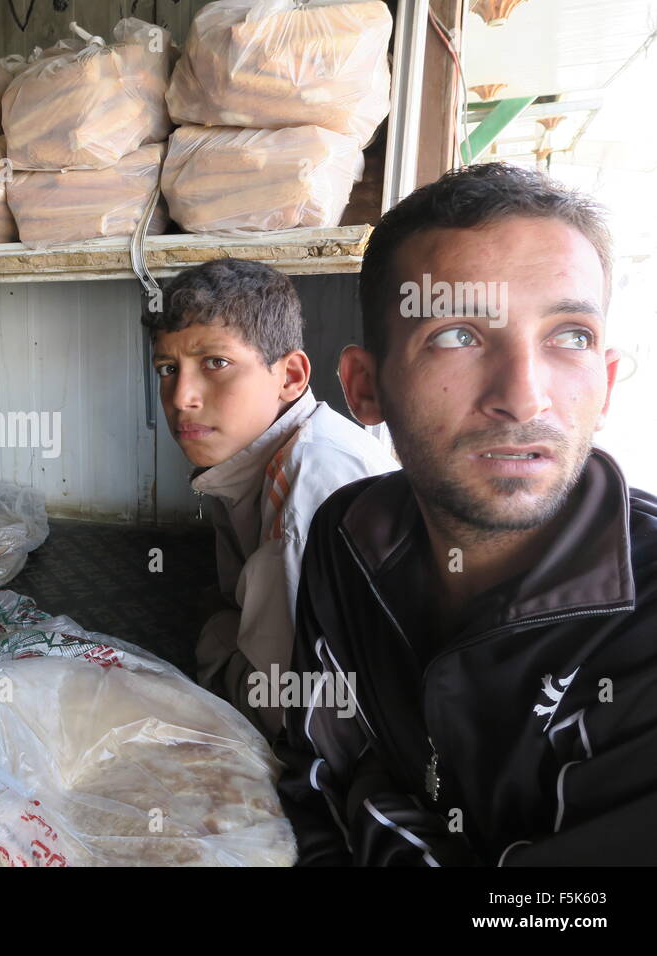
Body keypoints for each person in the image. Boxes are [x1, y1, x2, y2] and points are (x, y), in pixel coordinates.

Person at [276, 161, 657, 865]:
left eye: (569, 334)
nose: (525, 397)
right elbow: (316, 776)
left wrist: (373, 812)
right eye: (457, 334)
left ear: (604, 385)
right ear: (366, 389)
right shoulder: (348, 537)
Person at [144, 258, 397, 739]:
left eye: (216, 363)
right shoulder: (254, 457)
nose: (181, 398)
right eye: (167, 368)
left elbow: (286, 713)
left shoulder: (309, 491)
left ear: (291, 376)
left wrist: (214, 638)